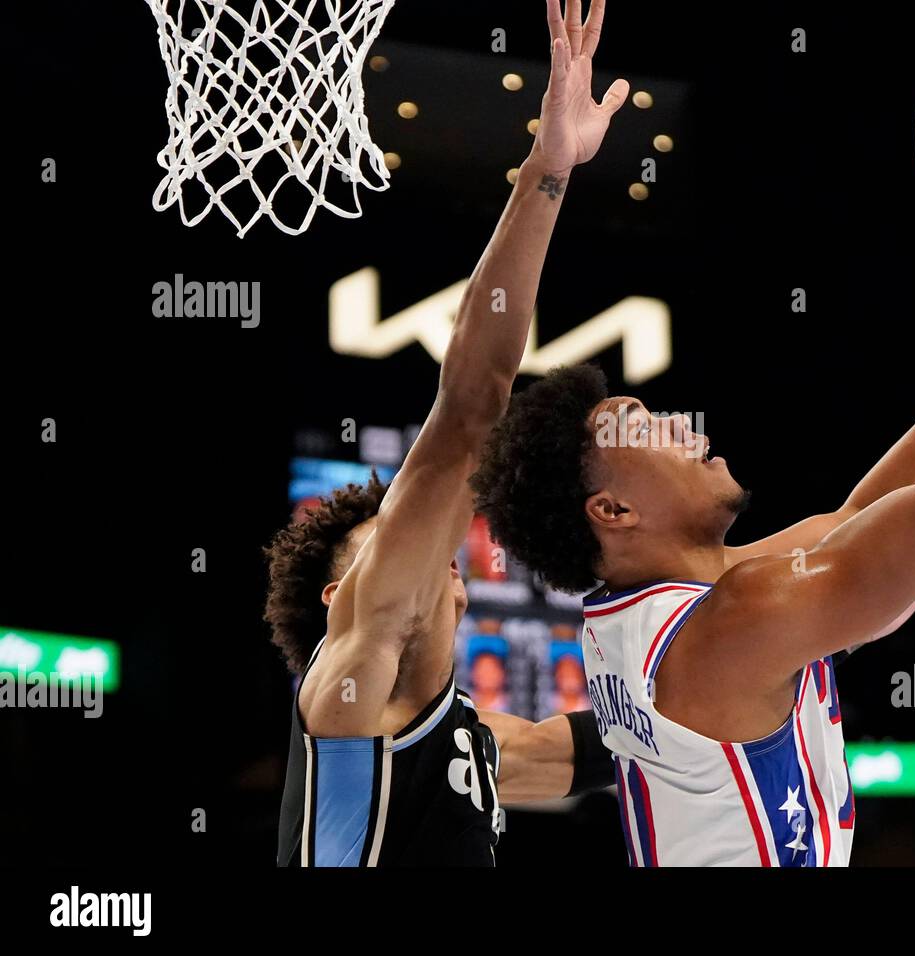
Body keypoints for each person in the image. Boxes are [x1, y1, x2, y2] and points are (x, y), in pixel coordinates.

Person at [469, 95, 915, 865]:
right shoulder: (732, 622)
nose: (682, 425)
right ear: (615, 509)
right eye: (643, 425)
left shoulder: (650, 607)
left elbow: (863, 512)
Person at [263, 0, 628, 866]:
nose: (425, 544)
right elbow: (473, 406)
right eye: (386, 538)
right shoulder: (353, 674)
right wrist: (549, 171)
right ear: (338, 598)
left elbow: (617, 747)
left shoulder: (474, 745)